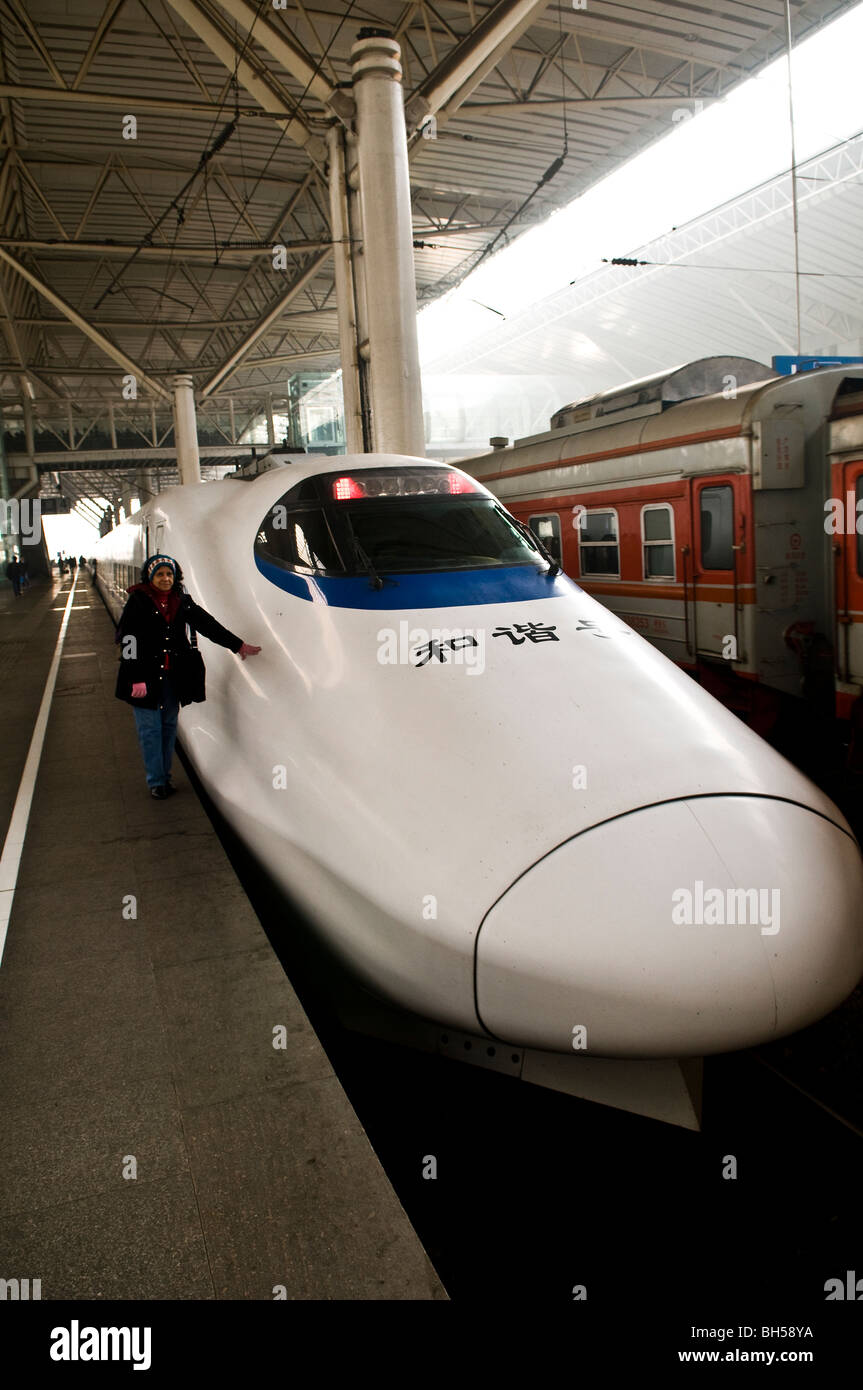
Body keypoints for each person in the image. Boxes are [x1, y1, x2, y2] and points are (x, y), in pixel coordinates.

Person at [115, 554, 262, 799]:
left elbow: (207, 624)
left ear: (175, 577)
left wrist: (237, 645)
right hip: (145, 679)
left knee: (169, 726)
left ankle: (165, 777)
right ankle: (156, 781)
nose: (165, 579)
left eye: (169, 574)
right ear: (150, 577)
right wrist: (135, 677)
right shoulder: (138, 602)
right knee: (150, 731)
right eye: (160, 574)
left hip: (173, 678)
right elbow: (128, 641)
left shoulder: (181, 601)